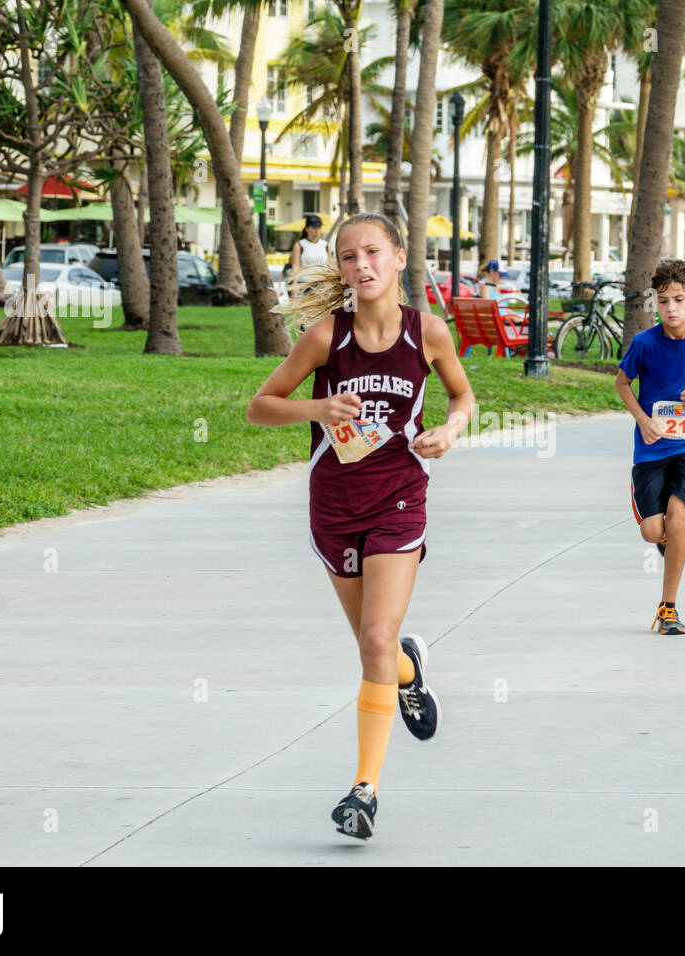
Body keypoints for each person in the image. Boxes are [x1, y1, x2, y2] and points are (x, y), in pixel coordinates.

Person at [246, 211, 475, 841]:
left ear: (399, 258)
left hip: (399, 496)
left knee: (374, 638)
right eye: (348, 257)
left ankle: (363, 791)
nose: (361, 265)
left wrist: (450, 429)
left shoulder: (427, 333)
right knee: (375, 647)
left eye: (373, 252)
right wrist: (318, 407)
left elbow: (462, 396)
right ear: (340, 269)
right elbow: (259, 407)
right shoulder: (326, 337)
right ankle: (408, 669)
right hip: (334, 505)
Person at [615, 259, 685, 635]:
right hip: (650, 448)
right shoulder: (644, 344)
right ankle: (668, 541)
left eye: (679, 299)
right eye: (663, 301)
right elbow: (621, 384)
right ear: (655, 303)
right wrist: (643, 420)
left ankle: (668, 608)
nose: (671, 308)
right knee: (653, 530)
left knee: (678, 517)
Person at [289, 214, 331, 295]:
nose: (317, 230)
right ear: (307, 229)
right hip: (304, 284)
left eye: (319, 228)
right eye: (313, 228)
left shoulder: (326, 245)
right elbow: (296, 266)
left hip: (323, 285)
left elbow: (329, 267)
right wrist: (294, 285)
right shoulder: (299, 245)